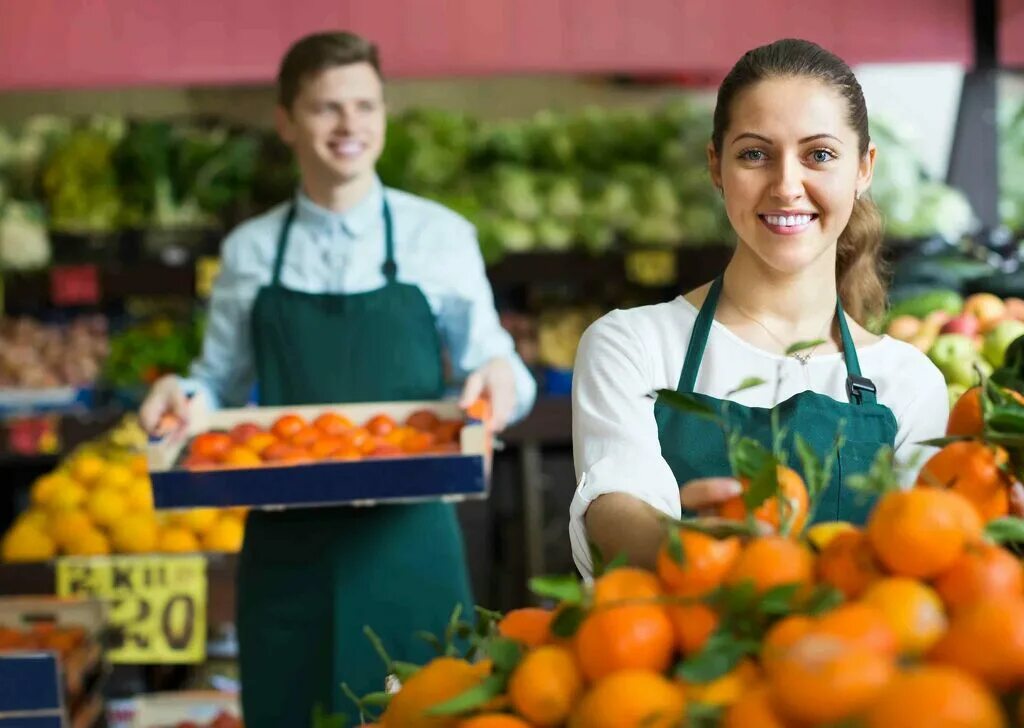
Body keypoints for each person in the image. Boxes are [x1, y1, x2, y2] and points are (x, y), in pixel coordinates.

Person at [139, 31, 536, 724]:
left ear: (383, 114)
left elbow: (497, 366)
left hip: (410, 540)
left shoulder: (438, 236)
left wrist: (499, 379)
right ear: (286, 121)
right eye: (327, 108)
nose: (350, 126)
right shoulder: (250, 250)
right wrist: (182, 395)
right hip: (288, 550)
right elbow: (217, 386)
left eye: (365, 106)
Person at [569, 38, 949, 578]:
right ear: (716, 166)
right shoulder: (632, 345)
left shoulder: (908, 382)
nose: (786, 186)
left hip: (854, 656)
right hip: (683, 656)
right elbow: (615, 507)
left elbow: (928, 555)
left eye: (819, 155)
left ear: (864, 168)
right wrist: (687, 550)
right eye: (754, 154)